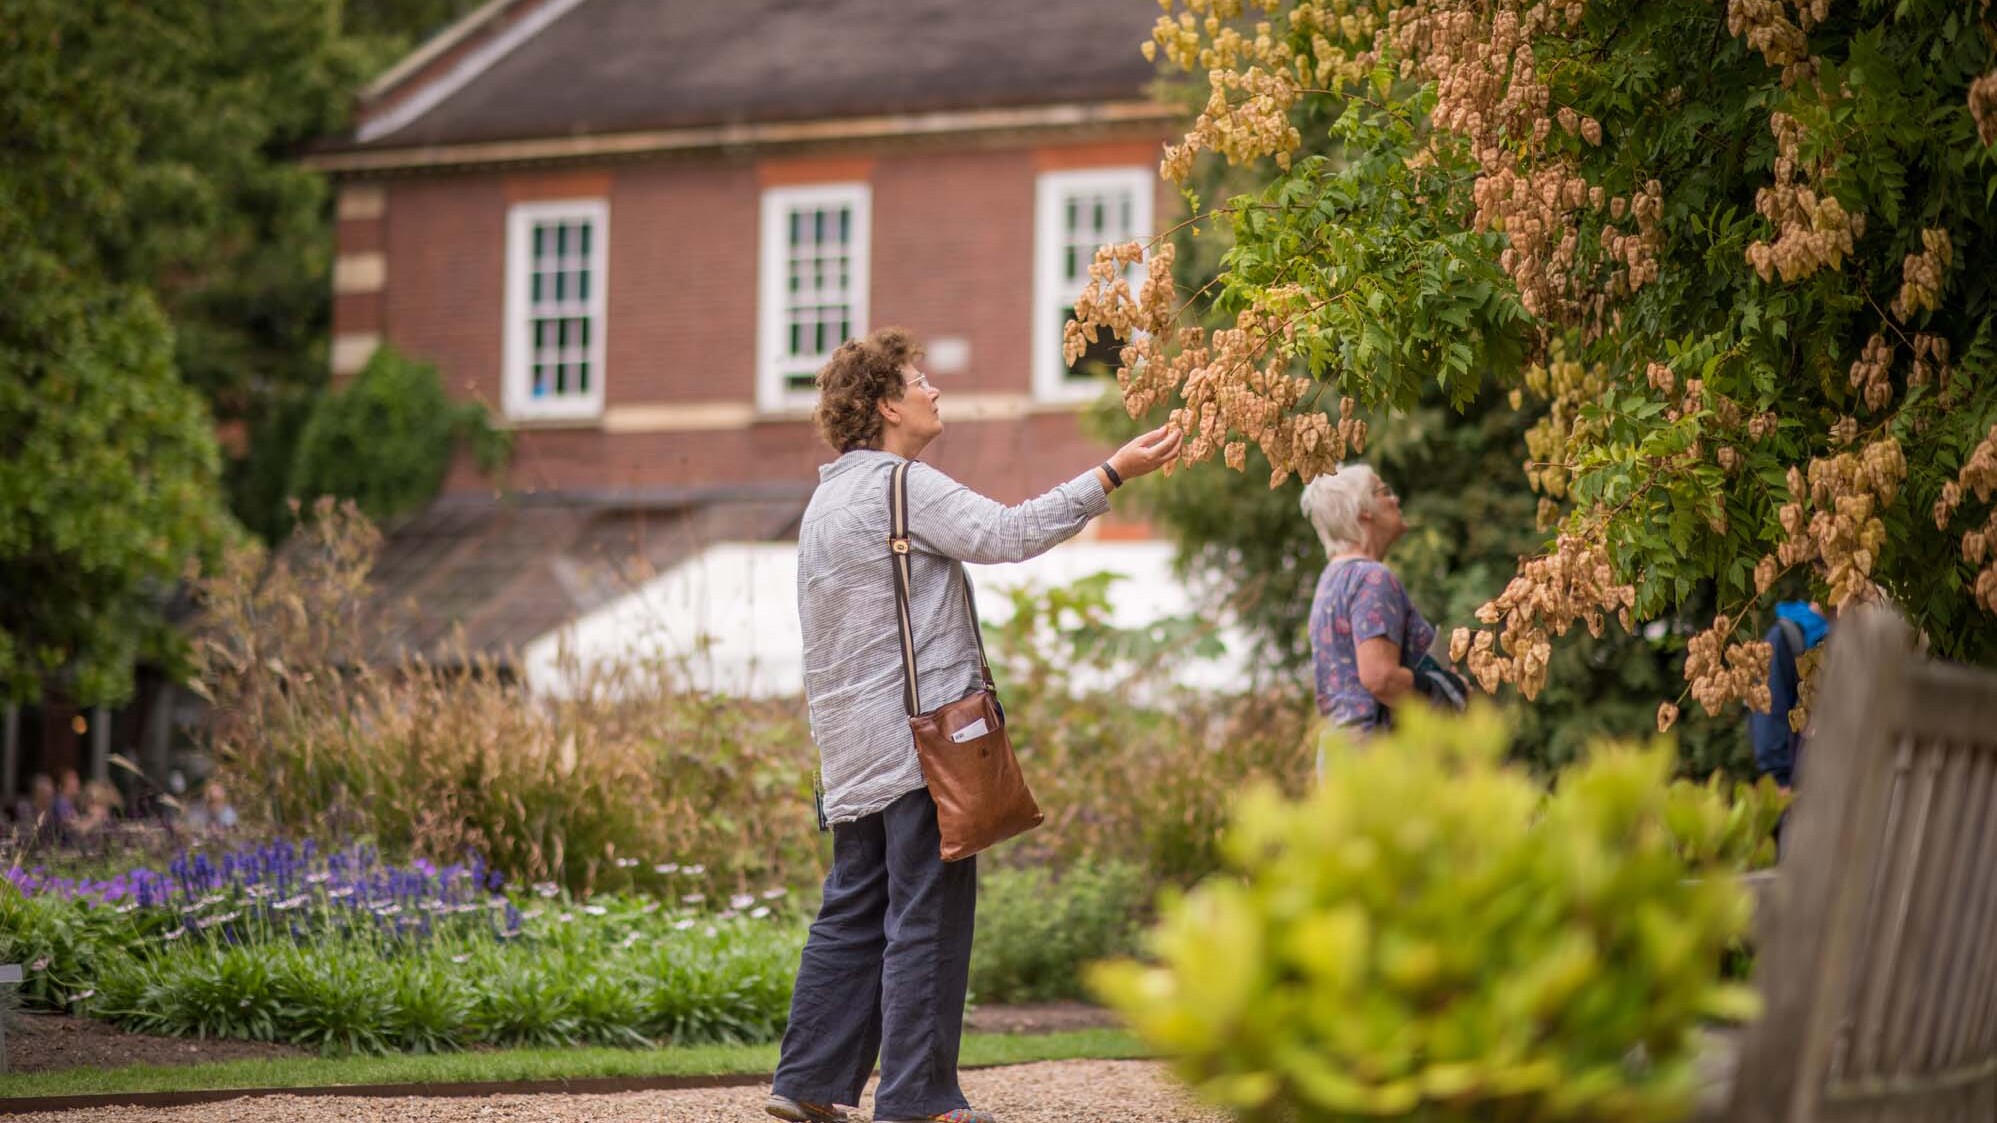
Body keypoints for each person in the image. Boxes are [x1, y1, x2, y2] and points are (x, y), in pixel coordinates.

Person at [765, 328, 1180, 1123]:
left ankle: (808, 1080)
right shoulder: (900, 486)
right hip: (923, 745)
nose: (933, 390)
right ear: (886, 403)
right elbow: (1008, 534)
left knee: (854, 906)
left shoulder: (823, 502)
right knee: (929, 909)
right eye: (920, 380)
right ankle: (916, 1096)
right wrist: (1110, 473)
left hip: (849, 751)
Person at [1301, 463, 1463, 747]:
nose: (1395, 499)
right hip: (1377, 757)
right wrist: (1445, 691)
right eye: (1384, 492)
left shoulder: (1330, 581)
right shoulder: (1371, 577)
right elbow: (1380, 678)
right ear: (1363, 509)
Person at [1749, 600, 1831, 789]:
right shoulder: (1786, 636)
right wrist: (1779, 779)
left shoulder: (1854, 634)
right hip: (1799, 782)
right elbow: (1769, 712)